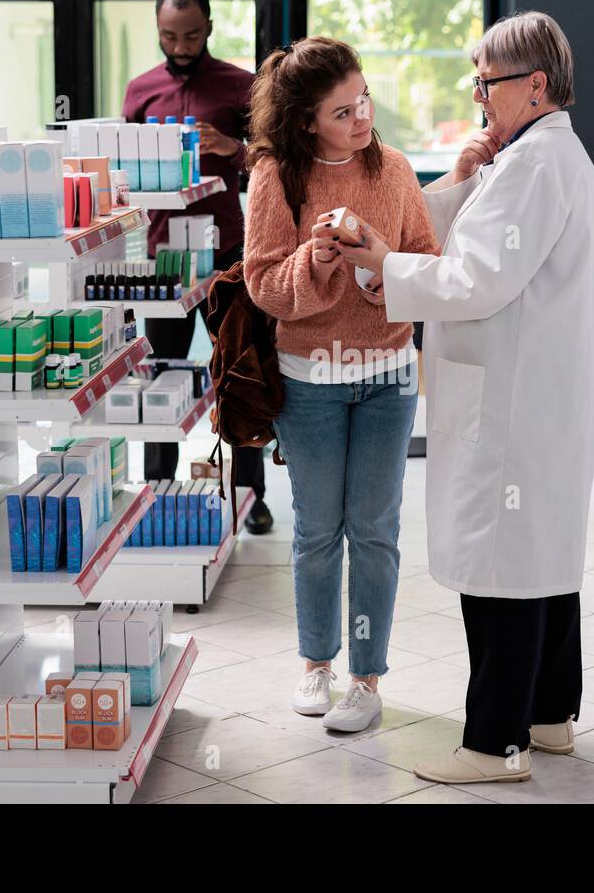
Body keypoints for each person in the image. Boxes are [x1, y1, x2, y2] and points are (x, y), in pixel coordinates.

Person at [342, 11, 594, 784]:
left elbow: (475, 279)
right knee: (544, 559)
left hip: (513, 403)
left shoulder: (534, 165)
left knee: (504, 572)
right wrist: (459, 181)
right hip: (537, 396)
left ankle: (494, 744)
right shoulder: (540, 157)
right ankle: (549, 716)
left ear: (535, 84)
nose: (478, 96)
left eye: (485, 82)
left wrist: (388, 264)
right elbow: (473, 231)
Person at [243, 37, 440, 732]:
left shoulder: (393, 170)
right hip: (310, 379)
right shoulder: (274, 176)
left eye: (364, 101)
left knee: (376, 531)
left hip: (388, 377)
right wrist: (312, 258)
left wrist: (381, 263)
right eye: (342, 110)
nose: (362, 118)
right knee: (317, 530)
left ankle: (365, 680)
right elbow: (264, 283)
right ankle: (315, 665)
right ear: (306, 122)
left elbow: (426, 263)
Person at [122, 0, 273, 535]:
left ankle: (251, 496)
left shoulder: (240, 85)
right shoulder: (139, 92)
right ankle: (154, 492)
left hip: (227, 250)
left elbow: (269, 160)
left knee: (241, 371)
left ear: (208, 26)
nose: (180, 45)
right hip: (163, 257)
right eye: (168, 35)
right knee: (159, 376)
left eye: (190, 35)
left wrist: (230, 147)